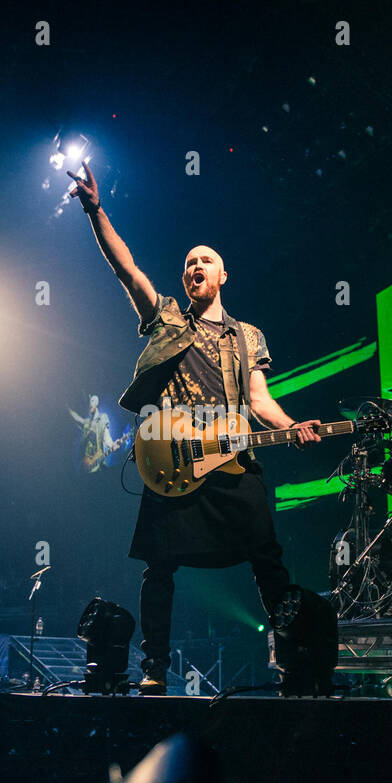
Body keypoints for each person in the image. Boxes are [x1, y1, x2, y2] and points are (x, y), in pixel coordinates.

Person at [70, 162, 322, 694]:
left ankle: (292, 662)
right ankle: (154, 669)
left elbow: (259, 401)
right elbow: (128, 269)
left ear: (223, 275)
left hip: (233, 459)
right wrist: (96, 212)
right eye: (188, 263)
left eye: (205, 261)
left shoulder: (247, 336)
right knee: (159, 570)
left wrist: (295, 425)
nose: (194, 267)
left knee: (268, 563)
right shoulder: (167, 320)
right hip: (175, 457)